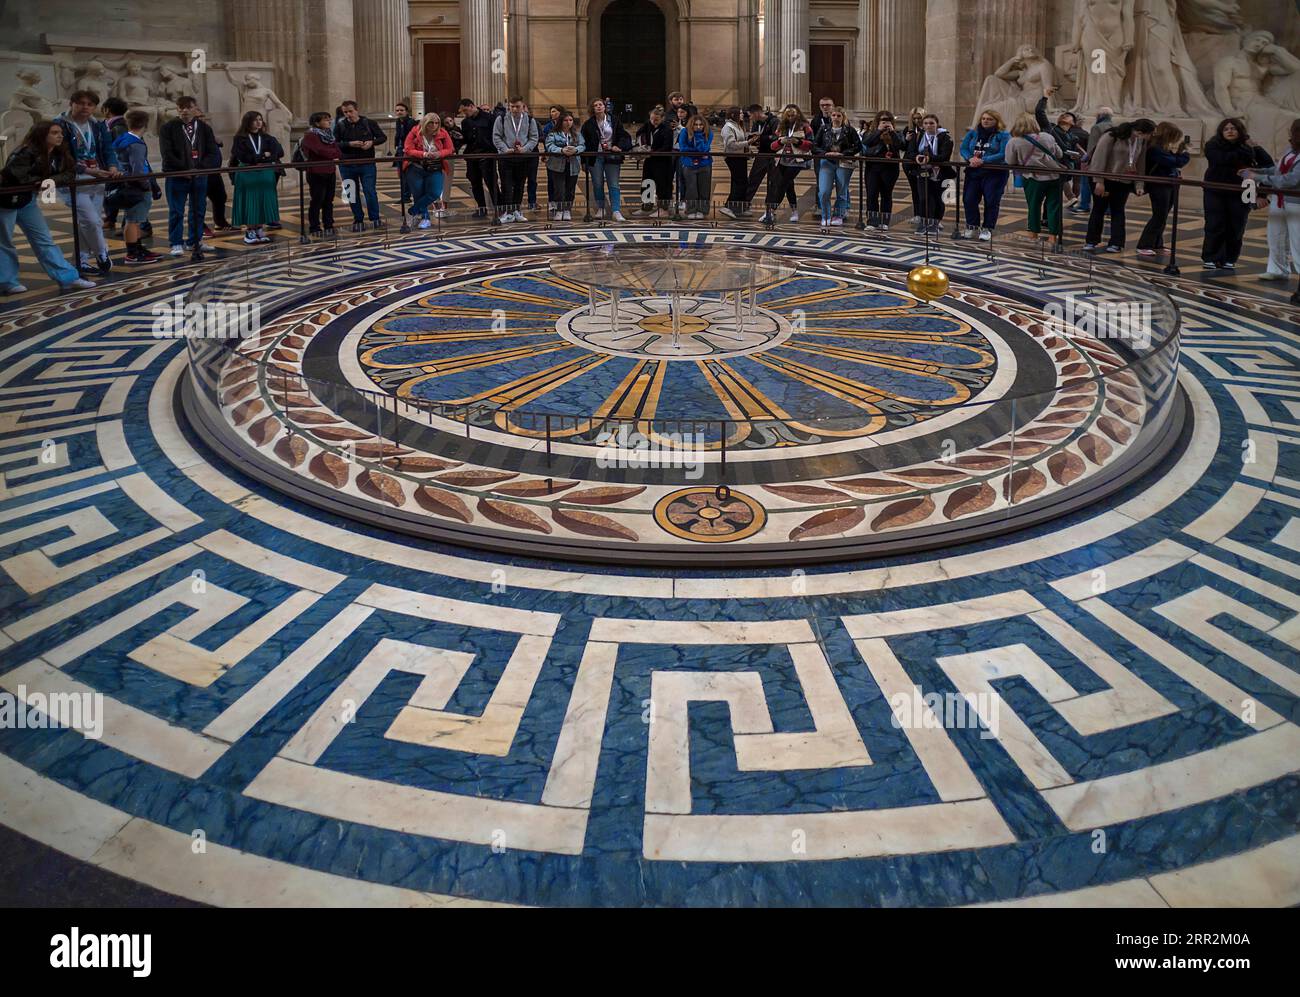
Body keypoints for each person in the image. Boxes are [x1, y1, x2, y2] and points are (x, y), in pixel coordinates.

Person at [0, 121, 96, 293]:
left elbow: (69, 172)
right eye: (54, 133)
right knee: (4, 241)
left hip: (27, 200)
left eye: (60, 132)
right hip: (5, 201)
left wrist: (51, 180)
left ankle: (69, 277)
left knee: (44, 239)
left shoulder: (58, 154)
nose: (59, 136)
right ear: (42, 135)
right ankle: (7, 282)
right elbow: (14, 176)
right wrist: (41, 180)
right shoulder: (25, 152)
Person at [54, 89, 120, 275]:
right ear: (71, 104)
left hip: (97, 178)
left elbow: (108, 149)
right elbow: (61, 157)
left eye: (90, 104)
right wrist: (87, 169)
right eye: (81, 103)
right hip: (74, 180)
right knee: (91, 221)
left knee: (89, 222)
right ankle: (102, 252)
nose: (85, 107)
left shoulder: (98, 125)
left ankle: (81, 261)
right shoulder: (60, 125)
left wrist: (113, 166)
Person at [1084, 118, 1155, 253]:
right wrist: (1099, 181)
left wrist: (1139, 185)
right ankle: (1091, 241)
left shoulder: (1141, 141)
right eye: (1149, 133)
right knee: (1099, 209)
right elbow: (1099, 158)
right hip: (1105, 179)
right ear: (1140, 131)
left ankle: (1116, 243)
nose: (1150, 137)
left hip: (1124, 181)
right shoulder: (1112, 136)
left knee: (1118, 211)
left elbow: (1140, 164)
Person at [1244, 118, 1300, 287]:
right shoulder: (1291, 149)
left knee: (1297, 240)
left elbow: (1291, 180)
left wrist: (1258, 177)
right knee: (1275, 235)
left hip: (1296, 201)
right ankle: (1277, 269)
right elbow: (1277, 170)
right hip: (1279, 198)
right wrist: (1255, 171)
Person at [1201, 117, 1262, 270]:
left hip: (1240, 190)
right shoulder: (1212, 145)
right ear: (1221, 132)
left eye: (1233, 128)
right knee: (1215, 224)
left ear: (1239, 131)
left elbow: (1265, 162)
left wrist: (1254, 148)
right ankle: (1211, 256)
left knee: (1236, 225)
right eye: (1226, 129)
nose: (1230, 131)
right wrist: (1244, 151)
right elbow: (1221, 159)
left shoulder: (1248, 146)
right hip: (1215, 190)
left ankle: (1230, 257)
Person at [157, 94, 213, 260]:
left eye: (189, 107)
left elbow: (211, 152)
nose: (185, 111)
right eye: (181, 108)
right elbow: (167, 153)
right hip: (177, 175)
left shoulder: (204, 128)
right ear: (177, 110)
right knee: (176, 210)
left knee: (198, 209)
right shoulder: (168, 128)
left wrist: (200, 169)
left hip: (199, 175)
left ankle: (195, 241)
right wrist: (184, 170)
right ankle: (176, 242)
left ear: (196, 109)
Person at [108, 109, 161, 264]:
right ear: (145, 124)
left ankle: (138, 248)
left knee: (134, 219)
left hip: (127, 184)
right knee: (133, 221)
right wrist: (147, 186)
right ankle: (132, 253)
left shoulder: (123, 138)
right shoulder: (136, 144)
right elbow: (138, 169)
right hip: (136, 186)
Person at [1005, 111, 1065, 244]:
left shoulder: (1014, 141)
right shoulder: (1047, 137)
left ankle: (1033, 233)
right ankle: (1053, 236)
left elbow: (1009, 161)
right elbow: (1059, 154)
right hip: (1054, 176)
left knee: (1034, 206)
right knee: (1054, 207)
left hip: (1032, 178)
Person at [1135, 122, 1190, 257]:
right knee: (1159, 215)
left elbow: (1174, 159)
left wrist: (1179, 153)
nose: (1174, 140)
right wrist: (1185, 153)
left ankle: (1156, 243)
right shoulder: (1155, 149)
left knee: (1163, 215)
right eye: (1173, 136)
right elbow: (1175, 162)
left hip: (1169, 184)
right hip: (1158, 185)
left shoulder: (1163, 148)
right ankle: (1144, 244)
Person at [229, 110, 283, 244]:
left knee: (263, 202)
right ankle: (249, 231)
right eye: (255, 120)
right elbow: (243, 157)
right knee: (250, 202)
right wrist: (263, 156)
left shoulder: (267, 137)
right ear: (248, 122)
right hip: (247, 174)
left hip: (265, 174)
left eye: (260, 119)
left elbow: (278, 153)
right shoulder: (240, 138)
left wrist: (261, 158)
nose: (259, 122)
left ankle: (259, 228)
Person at [333, 99, 387, 230]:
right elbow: (334, 144)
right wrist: (349, 144)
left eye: (350, 111)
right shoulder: (340, 126)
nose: (348, 114)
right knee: (352, 192)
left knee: (369, 191)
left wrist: (371, 143)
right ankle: (358, 219)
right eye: (345, 112)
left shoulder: (369, 123)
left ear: (356, 110)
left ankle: (375, 218)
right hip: (346, 164)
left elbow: (382, 137)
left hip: (366, 164)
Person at [959, 109, 1009, 240]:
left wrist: (983, 160)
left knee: (991, 201)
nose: (985, 121)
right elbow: (963, 148)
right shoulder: (973, 133)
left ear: (996, 121)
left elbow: (1003, 153)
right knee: (969, 199)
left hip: (995, 173)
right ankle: (972, 226)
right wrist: (970, 158)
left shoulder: (1003, 135)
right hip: (974, 171)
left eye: (989, 119)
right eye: (984, 118)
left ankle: (987, 228)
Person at [580, 98, 631, 222]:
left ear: (605, 106)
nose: (598, 107)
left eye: (600, 104)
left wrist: (619, 146)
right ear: (592, 108)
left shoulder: (614, 120)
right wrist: (583, 161)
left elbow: (623, 136)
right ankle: (601, 207)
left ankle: (616, 210)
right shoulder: (588, 124)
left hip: (611, 156)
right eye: (595, 105)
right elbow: (583, 142)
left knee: (613, 184)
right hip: (595, 157)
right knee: (597, 184)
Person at [761, 105, 812, 224]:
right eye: (787, 115)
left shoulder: (805, 126)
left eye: (792, 115)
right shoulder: (781, 127)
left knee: (782, 184)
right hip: (782, 160)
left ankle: (771, 211)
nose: (790, 118)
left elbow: (811, 144)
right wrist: (780, 141)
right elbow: (773, 145)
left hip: (797, 161)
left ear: (798, 114)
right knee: (789, 186)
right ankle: (794, 211)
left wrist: (798, 142)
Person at [1034, 88, 1085, 205]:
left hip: (1063, 171)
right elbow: (1039, 112)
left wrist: (1075, 156)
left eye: (1068, 116)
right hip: (1048, 170)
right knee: (1047, 199)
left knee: (1053, 199)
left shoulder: (1073, 137)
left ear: (1073, 123)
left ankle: (1049, 220)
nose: (1064, 116)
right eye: (1063, 115)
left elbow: (1076, 155)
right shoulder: (1050, 128)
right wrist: (1045, 97)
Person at [493, 95, 539, 223]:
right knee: (506, 186)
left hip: (523, 157)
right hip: (506, 157)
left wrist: (524, 149)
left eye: (517, 107)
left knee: (520, 185)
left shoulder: (530, 120)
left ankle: (516, 210)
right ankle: (508, 212)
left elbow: (534, 138)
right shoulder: (501, 119)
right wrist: (504, 149)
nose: (514, 109)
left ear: (523, 106)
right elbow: (497, 137)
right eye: (512, 107)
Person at [905, 112, 953, 234]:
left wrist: (930, 158)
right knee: (924, 197)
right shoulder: (918, 136)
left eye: (931, 123)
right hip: (922, 170)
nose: (928, 125)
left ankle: (935, 223)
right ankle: (924, 222)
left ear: (937, 124)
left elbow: (944, 155)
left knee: (937, 198)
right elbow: (910, 152)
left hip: (940, 172)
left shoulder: (945, 137)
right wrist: (916, 157)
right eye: (926, 123)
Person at [403, 112, 453, 228]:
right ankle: (425, 218)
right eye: (431, 123)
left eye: (437, 123)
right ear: (425, 123)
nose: (434, 125)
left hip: (434, 167)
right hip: (416, 168)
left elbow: (450, 149)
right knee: (418, 194)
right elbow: (408, 149)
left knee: (435, 192)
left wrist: (439, 153)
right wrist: (424, 154)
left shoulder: (443, 133)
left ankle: (412, 212)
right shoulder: (415, 132)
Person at [814, 106, 861, 227]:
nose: (836, 118)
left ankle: (838, 215)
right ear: (831, 116)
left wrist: (844, 153)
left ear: (843, 117)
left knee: (842, 190)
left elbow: (857, 146)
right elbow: (815, 146)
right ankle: (826, 215)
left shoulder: (849, 130)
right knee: (824, 191)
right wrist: (825, 153)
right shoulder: (824, 129)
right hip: (826, 161)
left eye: (838, 115)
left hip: (844, 162)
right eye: (834, 115)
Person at [300, 110, 340, 237]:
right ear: (317, 123)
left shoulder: (329, 135)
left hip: (330, 170)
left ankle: (328, 224)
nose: (329, 121)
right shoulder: (310, 136)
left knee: (329, 199)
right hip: (316, 172)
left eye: (329, 119)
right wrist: (331, 154)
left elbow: (337, 152)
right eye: (326, 119)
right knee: (317, 200)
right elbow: (320, 150)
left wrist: (331, 154)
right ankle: (314, 226)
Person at [861, 110, 903, 230]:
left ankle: (884, 221)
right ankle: (872, 221)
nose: (885, 123)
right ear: (878, 121)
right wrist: (878, 131)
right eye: (883, 120)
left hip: (890, 168)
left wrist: (893, 132)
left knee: (886, 195)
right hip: (873, 167)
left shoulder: (897, 133)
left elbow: (900, 145)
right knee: (872, 194)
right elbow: (866, 143)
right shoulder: (869, 133)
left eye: (888, 120)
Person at [458, 98, 499, 217]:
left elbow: (495, 136)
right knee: (475, 183)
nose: (465, 114)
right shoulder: (466, 122)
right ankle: (481, 208)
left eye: (465, 110)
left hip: (487, 154)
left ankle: (499, 207)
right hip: (472, 156)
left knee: (491, 183)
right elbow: (466, 139)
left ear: (471, 106)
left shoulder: (490, 118)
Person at [196, 109, 232, 235]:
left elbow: (215, 144)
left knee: (220, 197)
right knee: (200, 201)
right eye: (198, 117)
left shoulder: (207, 129)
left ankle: (220, 221)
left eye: (202, 116)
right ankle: (201, 226)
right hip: (203, 172)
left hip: (215, 171)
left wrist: (218, 141)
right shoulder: (192, 133)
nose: (202, 119)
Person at [545, 110, 584, 221]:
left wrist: (575, 150)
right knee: (559, 189)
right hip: (557, 165)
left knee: (570, 189)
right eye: (566, 120)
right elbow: (549, 146)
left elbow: (582, 145)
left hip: (573, 165)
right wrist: (561, 150)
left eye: (570, 120)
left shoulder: (576, 133)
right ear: (561, 121)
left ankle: (567, 210)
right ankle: (559, 210)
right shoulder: (553, 133)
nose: (568, 122)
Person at [1074, 105, 1113, 215]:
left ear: (1099, 116)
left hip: (1095, 161)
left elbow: (1092, 147)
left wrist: (1086, 160)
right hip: (1110, 162)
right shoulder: (1114, 126)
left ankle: (1084, 205)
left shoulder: (1097, 127)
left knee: (1086, 183)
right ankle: (1108, 208)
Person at [636, 105, 675, 213]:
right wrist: (642, 146)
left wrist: (653, 152)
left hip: (663, 161)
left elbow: (667, 146)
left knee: (663, 184)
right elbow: (639, 134)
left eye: (656, 120)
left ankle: (663, 207)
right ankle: (646, 205)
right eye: (652, 119)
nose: (654, 121)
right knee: (647, 182)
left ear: (662, 118)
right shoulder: (647, 125)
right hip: (649, 160)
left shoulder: (667, 129)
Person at [100, 96, 129, 235]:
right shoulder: (112, 124)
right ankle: (111, 218)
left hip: (117, 167)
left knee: (121, 193)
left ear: (107, 110)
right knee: (112, 193)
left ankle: (126, 224)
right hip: (113, 166)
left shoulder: (118, 127)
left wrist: (116, 167)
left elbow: (120, 149)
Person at [678, 113, 713, 218]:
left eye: (701, 125)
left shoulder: (708, 133)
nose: (698, 127)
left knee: (704, 188)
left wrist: (697, 138)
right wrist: (697, 152)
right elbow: (683, 148)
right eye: (696, 125)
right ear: (691, 125)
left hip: (705, 164)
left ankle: (703, 210)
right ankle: (691, 210)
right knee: (691, 188)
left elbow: (704, 149)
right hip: (689, 164)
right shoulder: (684, 132)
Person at [719, 107, 749, 218]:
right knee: (739, 182)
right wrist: (747, 142)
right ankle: (728, 206)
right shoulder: (728, 127)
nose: (742, 115)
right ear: (733, 115)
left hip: (741, 156)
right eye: (740, 113)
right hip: (733, 157)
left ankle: (738, 208)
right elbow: (731, 144)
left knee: (742, 182)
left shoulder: (738, 125)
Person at [393, 101, 418, 202]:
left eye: (401, 110)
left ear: (406, 112)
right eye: (397, 110)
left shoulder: (411, 122)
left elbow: (411, 137)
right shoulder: (398, 121)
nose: (399, 112)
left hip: (408, 150)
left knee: (408, 174)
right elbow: (398, 135)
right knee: (402, 174)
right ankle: (405, 197)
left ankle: (408, 196)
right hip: (400, 150)